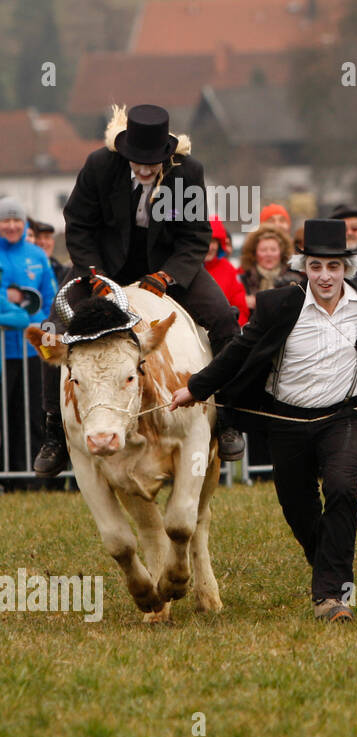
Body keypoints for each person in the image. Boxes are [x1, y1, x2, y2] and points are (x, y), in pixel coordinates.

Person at [171, 220, 357, 622]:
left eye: (333, 267)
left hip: (345, 415)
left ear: (347, 267)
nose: (325, 276)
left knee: (342, 487)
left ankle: (332, 597)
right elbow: (240, 350)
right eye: (316, 267)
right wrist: (197, 387)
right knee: (298, 507)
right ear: (303, 267)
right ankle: (329, 569)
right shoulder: (279, 304)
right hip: (286, 419)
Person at [36, 103, 244, 474]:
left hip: (168, 268)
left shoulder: (188, 172)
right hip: (101, 268)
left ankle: (228, 418)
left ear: (167, 154)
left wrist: (167, 276)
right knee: (54, 329)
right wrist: (92, 274)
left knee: (226, 321)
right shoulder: (99, 165)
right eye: (137, 161)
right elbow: (78, 225)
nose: (145, 169)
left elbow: (196, 236)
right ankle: (54, 432)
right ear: (124, 151)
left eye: (152, 163)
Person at [0, 197, 56, 474]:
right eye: (5, 221)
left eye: (16, 220)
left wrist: (36, 323)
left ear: (24, 223)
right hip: (3, 353)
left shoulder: (36, 256)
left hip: (32, 352)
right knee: (4, 416)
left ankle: (32, 476)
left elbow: (50, 298)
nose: (11, 226)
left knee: (34, 415)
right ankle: (5, 473)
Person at [238, 223, 300, 316]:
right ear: (254, 253)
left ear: (281, 253)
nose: (269, 254)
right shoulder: (243, 281)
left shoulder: (295, 281)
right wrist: (241, 302)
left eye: (273, 249)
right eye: (263, 250)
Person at [203, 216, 249, 326]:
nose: (210, 247)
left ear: (219, 244)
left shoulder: (229, 270)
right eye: (207, 241)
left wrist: (231, 331)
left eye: (214, 241)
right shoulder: (187, 269)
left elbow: (241, 309)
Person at [30, 220, 70, 287]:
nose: (43, 242)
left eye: (47, 237)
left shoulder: (66, 274)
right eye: (38, 237)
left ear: (53, 242)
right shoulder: (22, 271)